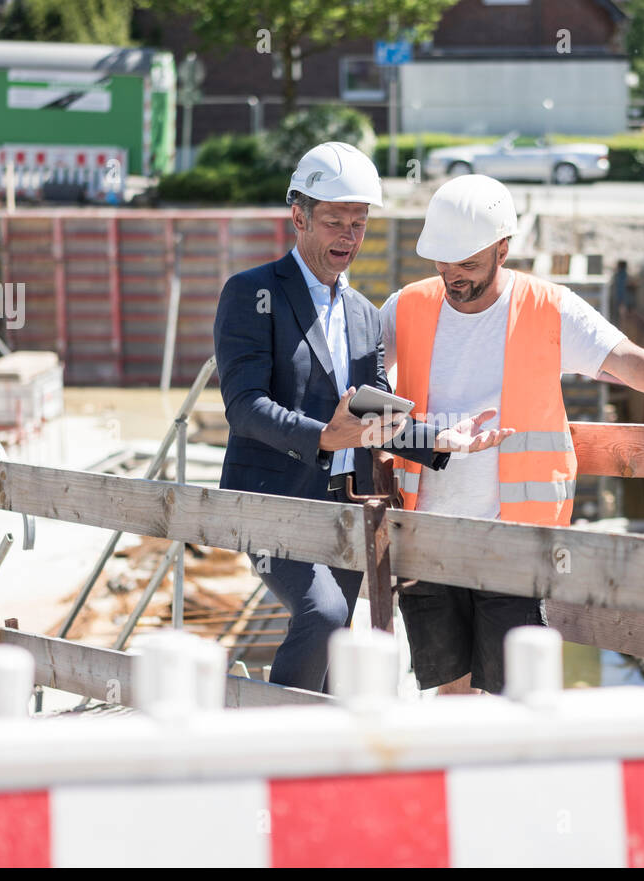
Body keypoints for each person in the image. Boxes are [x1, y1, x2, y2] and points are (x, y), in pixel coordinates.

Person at [379, 174, 644, 695]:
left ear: (502, 248)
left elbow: (630, 362)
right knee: (450, 693)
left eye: (468, 264)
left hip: (514, 543)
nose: (453, 278)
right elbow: (358, 396)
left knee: (514, 697)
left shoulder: (547, 308)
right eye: (443, 263)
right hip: (430, 539)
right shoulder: (406, 307)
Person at [214, 143, 507, 693]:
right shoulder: (252, 293)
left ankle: (313, 761)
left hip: (342, 507)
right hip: (267, 503)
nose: (348, 236)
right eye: (333, 222)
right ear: (297, 216)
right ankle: (271, 739)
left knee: (336, 634)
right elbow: (244, 406)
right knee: (321, 615)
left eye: (359, 223)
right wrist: (323, 435)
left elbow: (374, 410)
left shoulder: (365, 316)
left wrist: (440, 440)